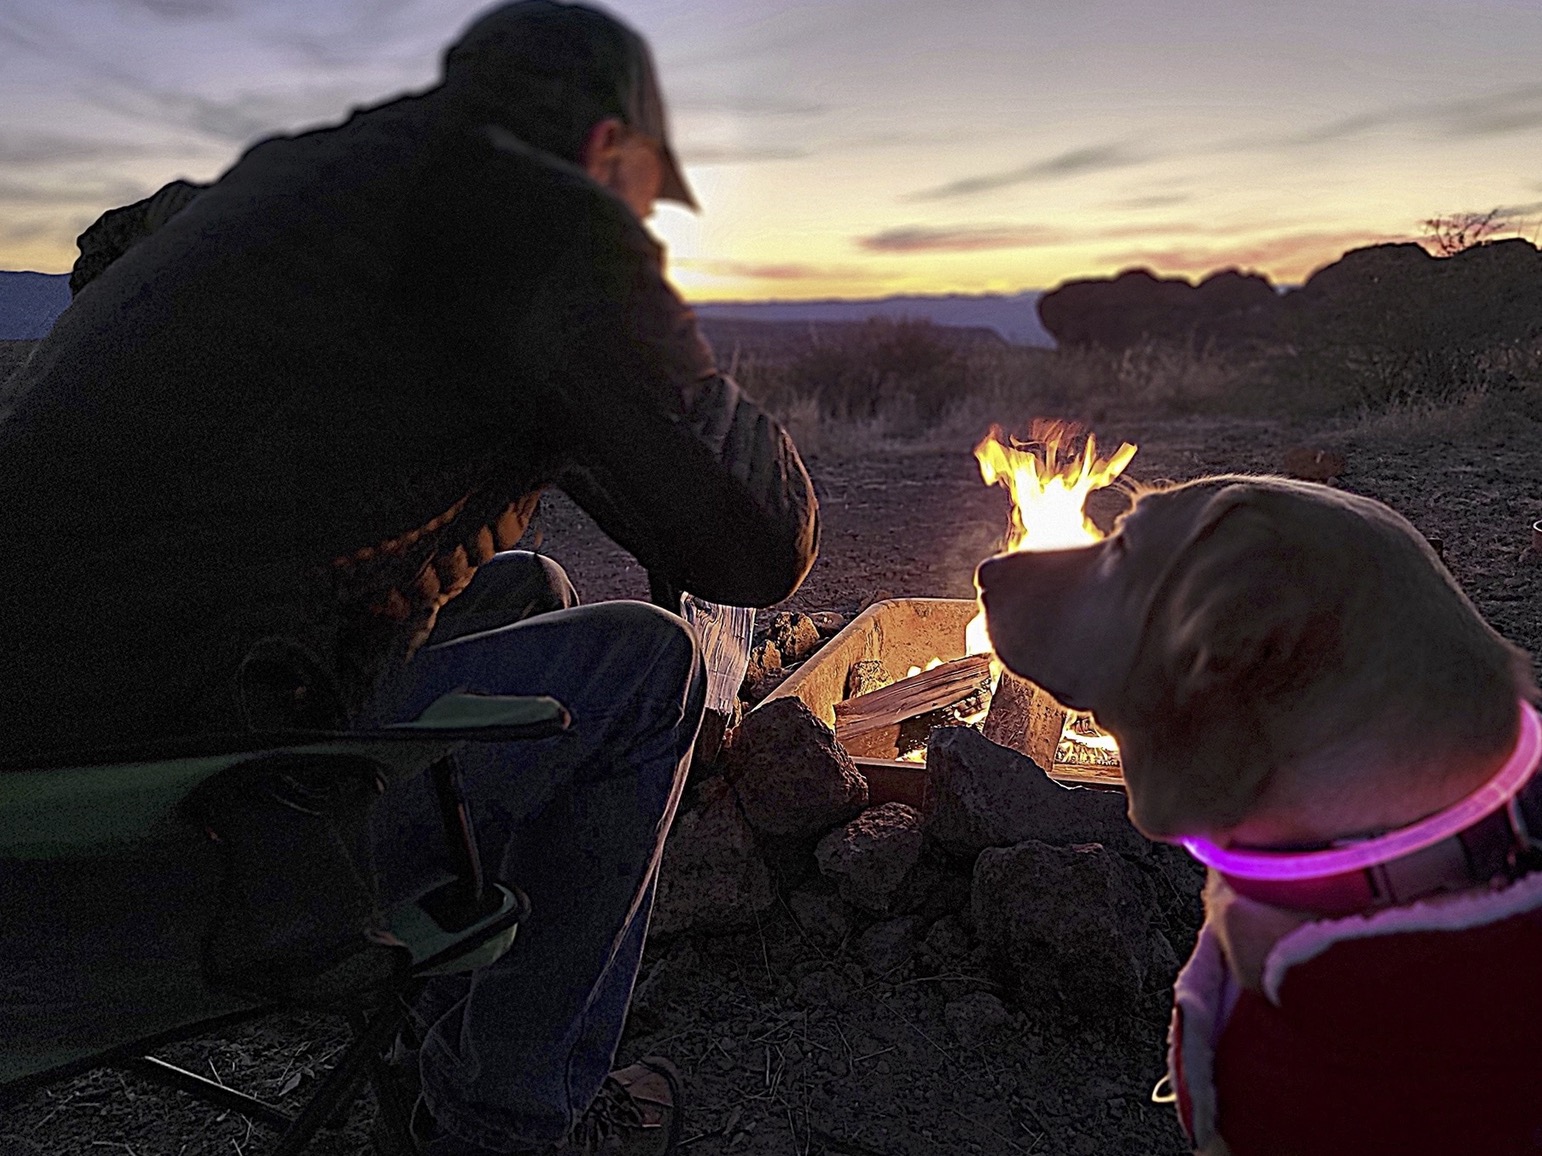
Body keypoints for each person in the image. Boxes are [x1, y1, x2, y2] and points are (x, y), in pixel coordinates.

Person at [0, 2, 818, 1154]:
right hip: (160, 852)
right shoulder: (545, 229)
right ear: (603, 150)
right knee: (652, 669)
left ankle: (454, 1042)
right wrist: (655, 359)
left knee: (525, 588)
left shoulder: (277, 184)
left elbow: (108, 253)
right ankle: (512, 1119)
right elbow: (760, 545)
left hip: (40, 799)